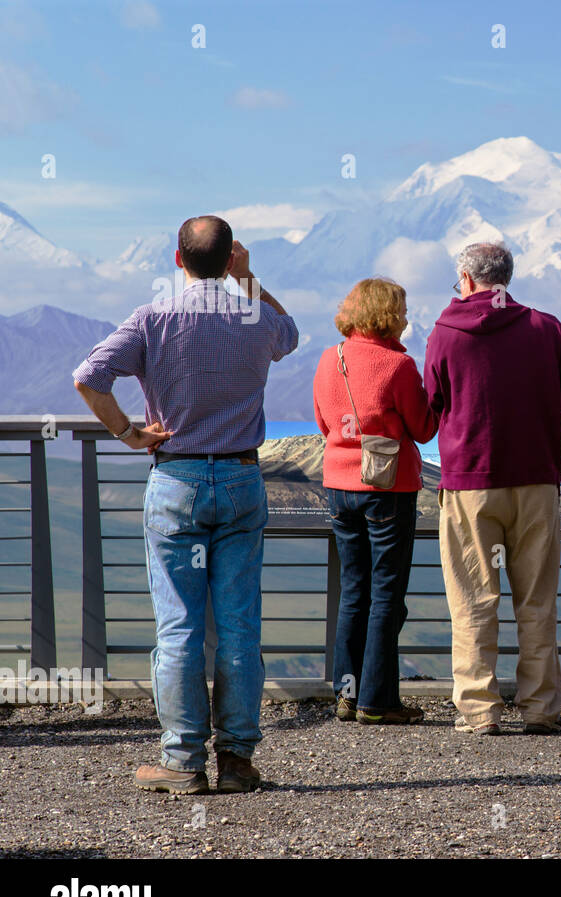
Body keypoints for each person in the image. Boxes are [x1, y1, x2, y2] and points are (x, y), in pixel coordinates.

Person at [72, 216, 298, 793]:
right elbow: (289, 336)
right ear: (229, 259)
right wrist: (248, 281)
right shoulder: (254, 313)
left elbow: (89, 376)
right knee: (241, 625)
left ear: (178, 259)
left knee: (179, 629)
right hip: (243, 479)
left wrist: (127, 431)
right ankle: (239, 762)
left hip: (177, 478)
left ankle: (182, 762)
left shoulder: (154, 317)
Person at [423, 242, 561, 736]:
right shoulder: (546, 328)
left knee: (473, 598)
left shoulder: (445, 334)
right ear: (506, 278)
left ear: (467, 278)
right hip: (537, 481)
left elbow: (432, 401)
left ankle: (478, 711)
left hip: (470, 483)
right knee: (537, 600)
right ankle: (541, 708)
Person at [313, 278, 436, 725]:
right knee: (387, 596)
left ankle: (346, 694)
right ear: (386, 316)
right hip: (387, 489)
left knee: (354, 591)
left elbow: (324, 422)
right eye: (402, 311)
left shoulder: (331, 358)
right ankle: (377, 702)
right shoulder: (398, 367)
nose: (406, 319)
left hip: (338, 487)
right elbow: (423, 428)